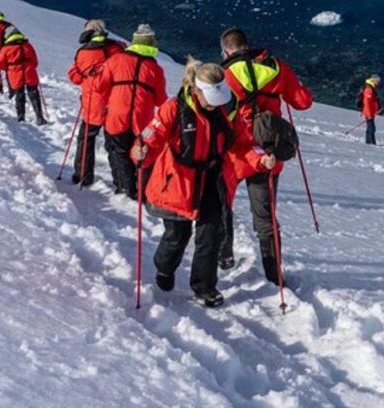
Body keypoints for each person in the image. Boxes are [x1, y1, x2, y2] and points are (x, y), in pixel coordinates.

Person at [133, 59, 236, 308]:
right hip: (179, 181)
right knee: (178, 235)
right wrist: (140, 149)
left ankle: (204, 286)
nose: (214, 103)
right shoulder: (173, 108)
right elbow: (151, 133)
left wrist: (260, 156)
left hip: (211, 179)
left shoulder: (222, 110)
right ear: (197, 91)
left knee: (211, 234)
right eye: (210, 97)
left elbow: (241, 140)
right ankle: (164, 269)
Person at [218, 27, 313, 285]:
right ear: (247, 46)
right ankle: (274, 276)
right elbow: (303, 102)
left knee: (221, 205)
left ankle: (224, 256)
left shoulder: (226, 75)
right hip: (269, 151)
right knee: (265, 217)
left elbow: (219, 114)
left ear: (226, 50)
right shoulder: (277, 67)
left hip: (235, 153)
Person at [93, 24, 168, 200]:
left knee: (118, 151)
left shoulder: (116, 60)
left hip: (116, 115)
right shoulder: (156, 69)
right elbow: (160, 100)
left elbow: (98, 86)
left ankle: (125, 188)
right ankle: (141, 188)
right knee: (141, 153)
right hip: (143, 119)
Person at [66, 19, 124, 187]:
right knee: (115, 144)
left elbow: (75, 77)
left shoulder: (84, 52)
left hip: (94, 103)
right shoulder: (117, 48)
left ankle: (83, 175)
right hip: (116, 102)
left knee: (86, 140)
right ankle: (123, 183)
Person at [0, 26, 47, 124]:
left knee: (19, 94)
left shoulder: (6, 48)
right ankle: (39, 116)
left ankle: (21, 117)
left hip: (15, 73)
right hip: (29, 71)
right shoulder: (27, 45)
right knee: (34, 93)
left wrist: (8, 68)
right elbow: (35, 61)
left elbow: (0, 63)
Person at [359, 75, 381, 145]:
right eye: (377, 81)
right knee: (371, 128)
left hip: (371, 112)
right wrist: (369, 114)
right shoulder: (369, 89)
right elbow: (367, 103)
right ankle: (371, 142)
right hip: (369, 112)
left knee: (370, 127)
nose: (378, 83)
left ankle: (369, 142)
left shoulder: (371, 88)